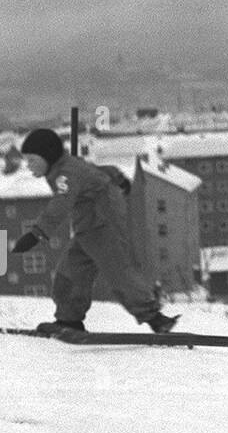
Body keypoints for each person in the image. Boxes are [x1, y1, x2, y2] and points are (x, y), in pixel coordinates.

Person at [11, 128, 178, 335]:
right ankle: (69, 320)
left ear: (48, 156)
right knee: (70, 272)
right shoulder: (67, 167)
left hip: (103, 224)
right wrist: (118, 177)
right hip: (88, 227)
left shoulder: (65, 174)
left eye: (33, 160)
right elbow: (94, 171)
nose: (29, 166)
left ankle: (156, 319)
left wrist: (36, 234)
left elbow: (60, 204)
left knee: (118, 272)